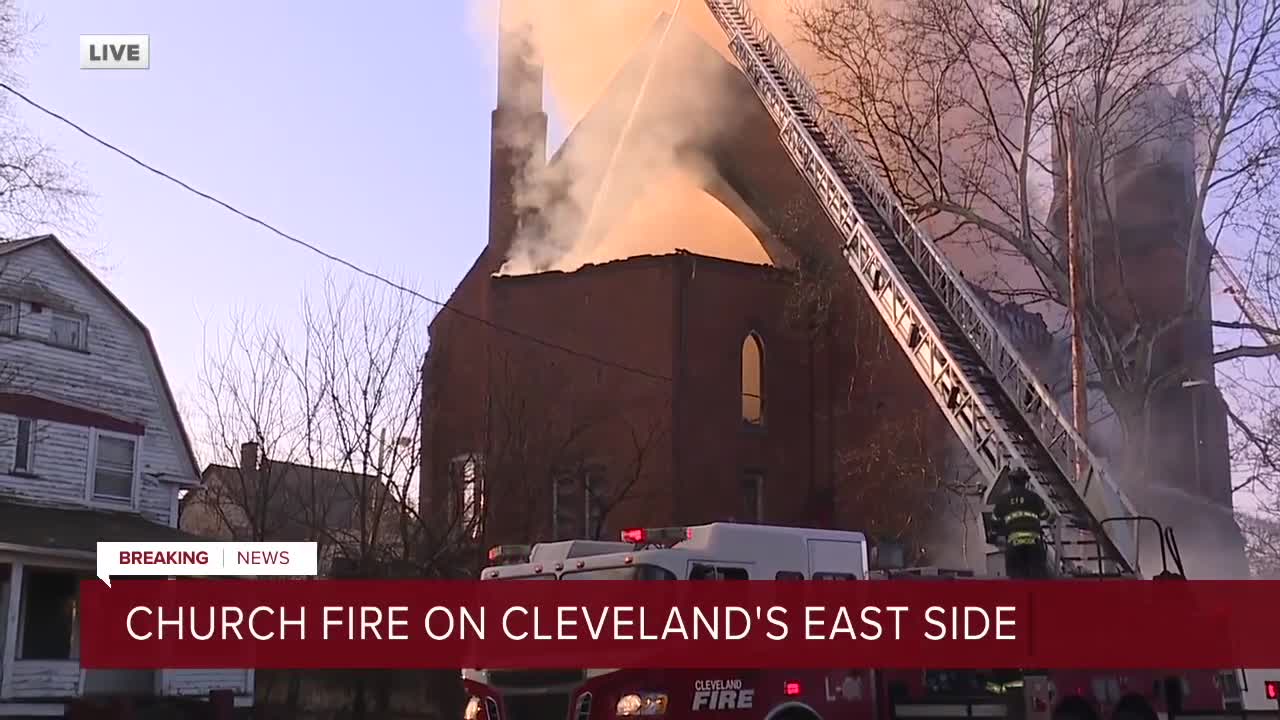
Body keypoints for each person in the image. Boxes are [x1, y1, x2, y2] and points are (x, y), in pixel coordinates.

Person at [992, 467, 1052, 579]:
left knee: (1016, 580)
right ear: (1025, 481)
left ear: (1010, 481)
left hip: (1014, 545)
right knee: (1037, 579)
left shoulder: (1002, 500)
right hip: (1034, 546)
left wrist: (997, 535)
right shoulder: (1034, 497)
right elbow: (1046, 516)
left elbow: (994, 522)